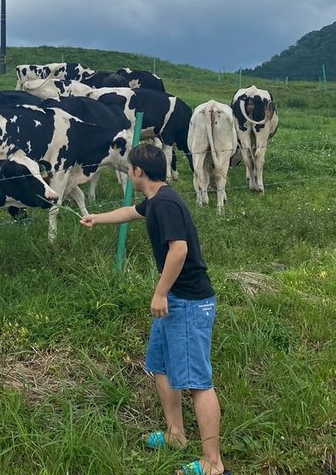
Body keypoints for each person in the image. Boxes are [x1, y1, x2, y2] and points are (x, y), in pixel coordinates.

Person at [80, 143, 229, 475]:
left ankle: (213, 462)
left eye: (130, 168)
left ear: (138, 172)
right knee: (160, 365)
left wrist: (160, 293)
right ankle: (175, 434)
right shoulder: (156, 199)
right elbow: (131, 213)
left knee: (198, 382)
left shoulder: (165, 204)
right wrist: (96, 218)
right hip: (175, 300)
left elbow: (179, 250)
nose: (129, 172)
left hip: (189, 301)